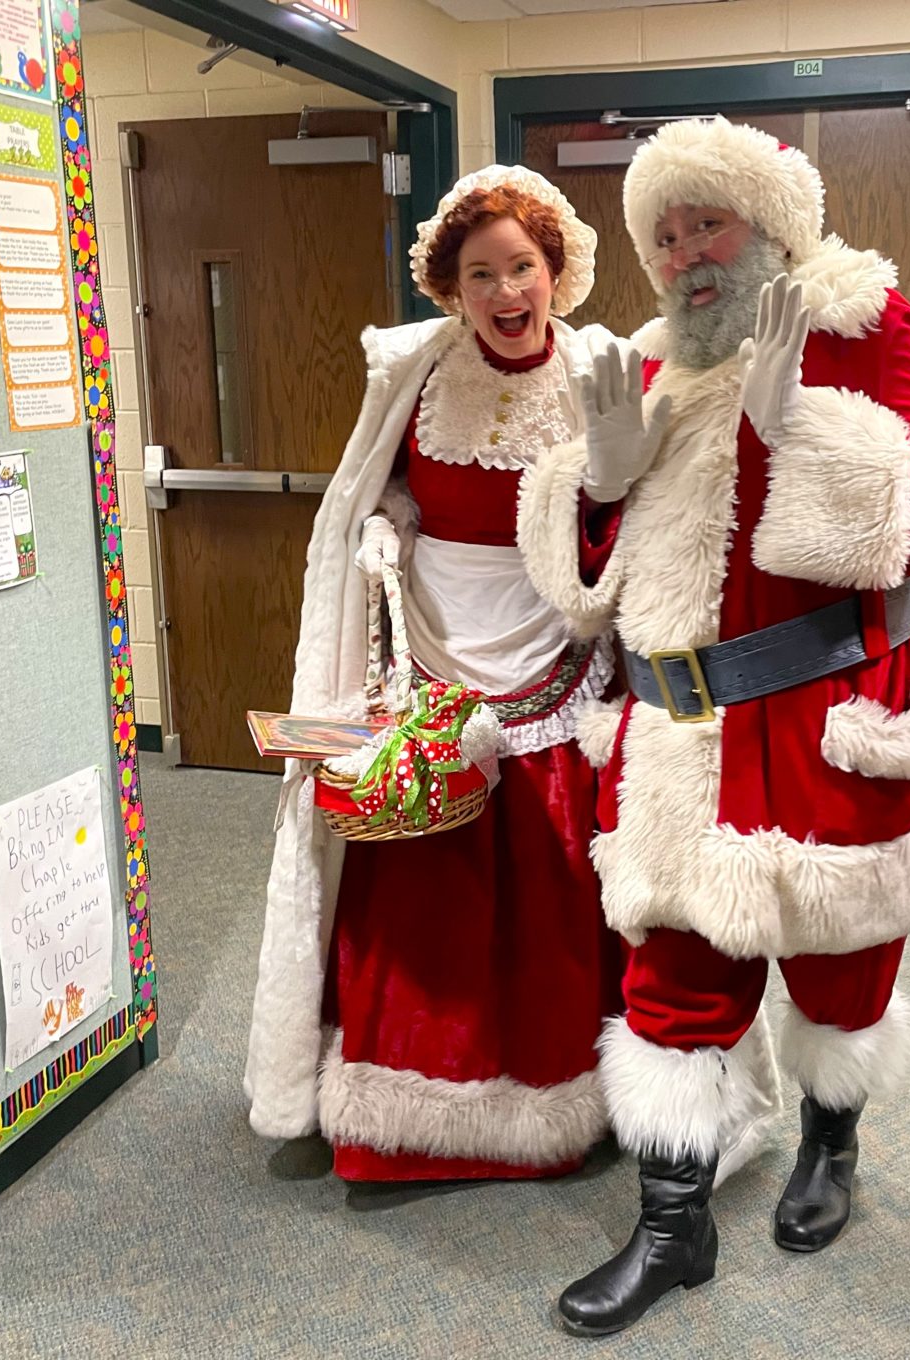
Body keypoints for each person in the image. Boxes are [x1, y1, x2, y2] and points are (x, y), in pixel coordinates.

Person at [517, 117, 910, 1335]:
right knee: (671, 983)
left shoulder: (864, 324)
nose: (683, 256)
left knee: (841, 972)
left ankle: (831, 1145)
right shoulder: (650, 366)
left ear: (771, 226)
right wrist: (599, 479)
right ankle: (673, 1230)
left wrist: (806, 431)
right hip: (677, 741)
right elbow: (588, 580)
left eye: (705, 224)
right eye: (663, 237)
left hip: (825, 714)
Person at [243, 166, 627, 1182]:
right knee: (417, 879)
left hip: (557, 644)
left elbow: (629, 518)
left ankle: (551, 1099)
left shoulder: (601, 370)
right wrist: (386, 526)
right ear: (449, 289)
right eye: (481, 274)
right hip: (430, 648)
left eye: (523, 268)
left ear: (558, 271)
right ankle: (399, 1117)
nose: (507, 293)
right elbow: (389, 486)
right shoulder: (413, 371)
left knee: (551, 885)